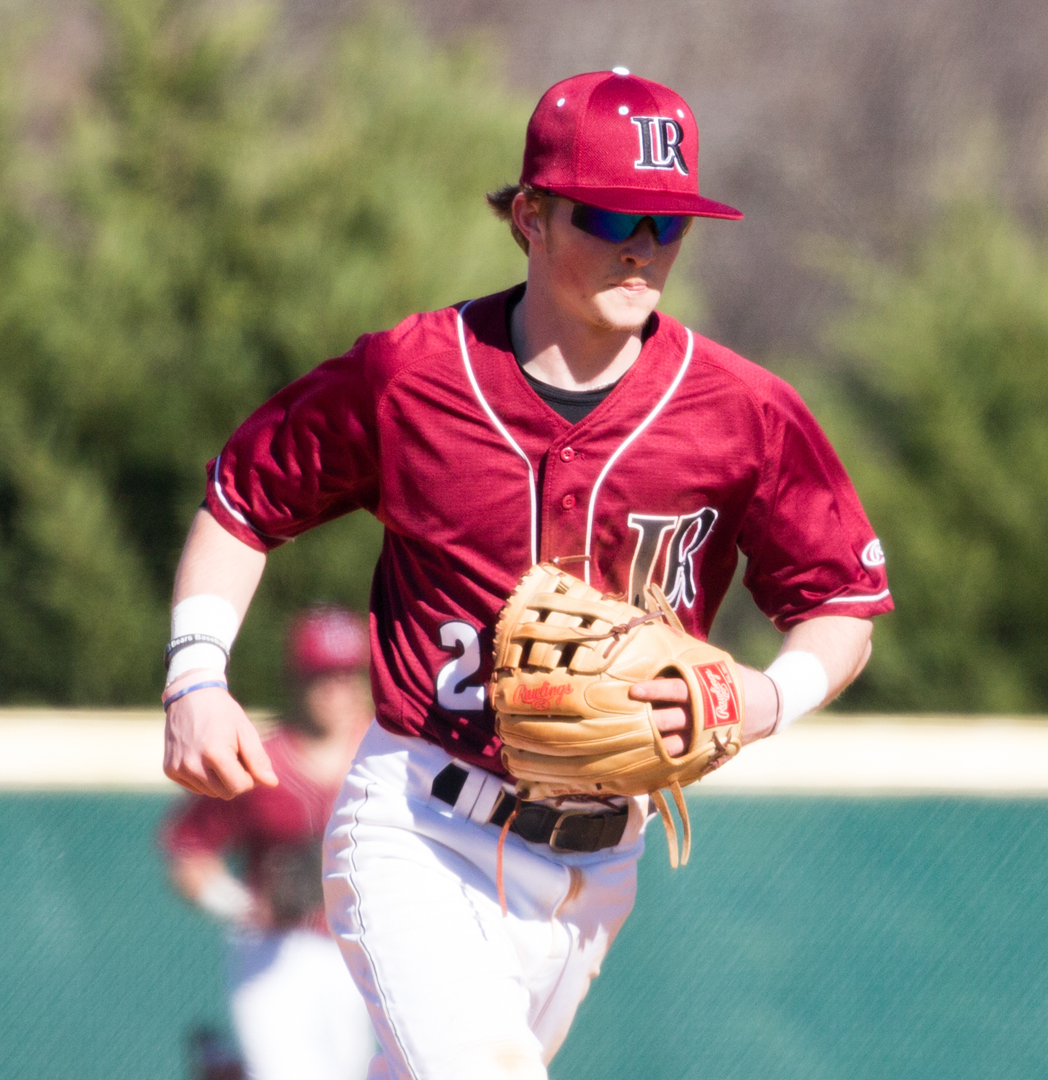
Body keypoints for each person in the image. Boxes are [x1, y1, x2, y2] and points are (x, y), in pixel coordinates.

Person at [159, 67, 891, 1080]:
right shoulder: (411, 375)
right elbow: (243, 503)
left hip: (601, 865)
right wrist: (196, 674)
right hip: (419, 822)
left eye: (668, 224)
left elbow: (841, 605)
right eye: (611, 215)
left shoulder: (742, 411)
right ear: (532, 215)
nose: (643, 248)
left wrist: (765, 696)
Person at [162, 606, 376, 1080]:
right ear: (295, 678)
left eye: (347, 674)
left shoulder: (390, 756)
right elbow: (188, 849)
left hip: (363, 947)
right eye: (322, 675)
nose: (336, 689)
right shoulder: (260, 761)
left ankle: (228, 1071)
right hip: (274, 945)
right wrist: (242, 905)